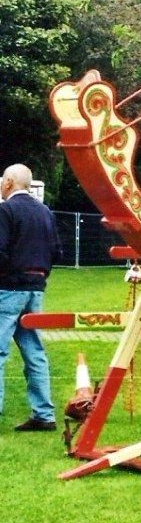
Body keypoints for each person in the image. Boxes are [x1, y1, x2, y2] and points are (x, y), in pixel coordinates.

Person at [0, 164, 61, 431]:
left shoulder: (5, 211)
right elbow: (58, 253)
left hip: (9, 289)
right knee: (34, 351)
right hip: (36, 288)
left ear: (10, 182)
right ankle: (44, 414)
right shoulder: (45, 212)